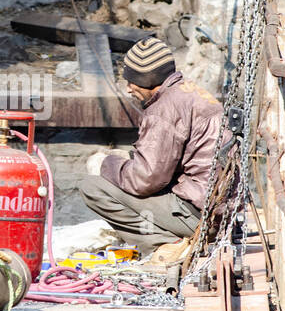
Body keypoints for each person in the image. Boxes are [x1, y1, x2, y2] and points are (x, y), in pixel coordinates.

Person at [80, 35, 225, 257]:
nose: (129, 89)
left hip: (201, 215)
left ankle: (166, 245)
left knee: (92, 187)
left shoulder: (164, 110)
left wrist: (107, 164)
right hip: (220, 208)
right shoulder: (191, 92)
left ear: (148, 80)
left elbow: (145, 180)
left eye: (132, 81)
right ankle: (173, 238)